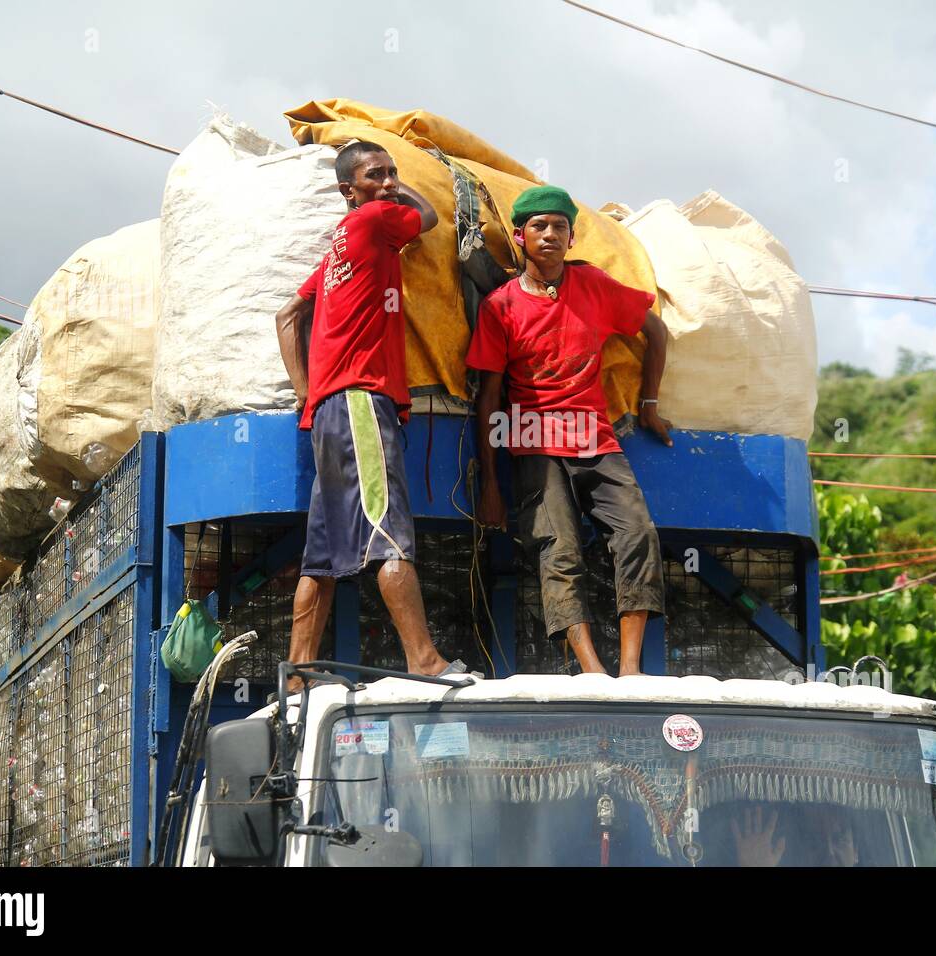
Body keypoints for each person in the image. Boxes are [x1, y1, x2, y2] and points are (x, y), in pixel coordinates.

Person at [275, 140, 465, 690]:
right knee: (390, 532)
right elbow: (426, 216)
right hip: (361, 400)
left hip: (328, 413)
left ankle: (299, 675)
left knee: (320, 557)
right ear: (347, 191)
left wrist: (307, 394)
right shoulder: (377, 219)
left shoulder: (336, 251)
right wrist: (403, 185)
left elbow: (288, 314)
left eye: (392, 172)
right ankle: (424, 659)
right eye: (374, 175)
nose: (387, 182)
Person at [466, 185, 672, 676]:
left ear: (572, 237)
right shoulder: (501, 307)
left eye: (560, 226)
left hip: (595, 438)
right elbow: (488, 398)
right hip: (535, 443)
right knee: (559, 552)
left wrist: (648, 406)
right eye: (539, 226)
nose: (551, 234)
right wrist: (492, 484)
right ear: (520, 237)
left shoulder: (593, 286)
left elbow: (656, 332)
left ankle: (630, 670)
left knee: (638, 534)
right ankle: (593, 671)